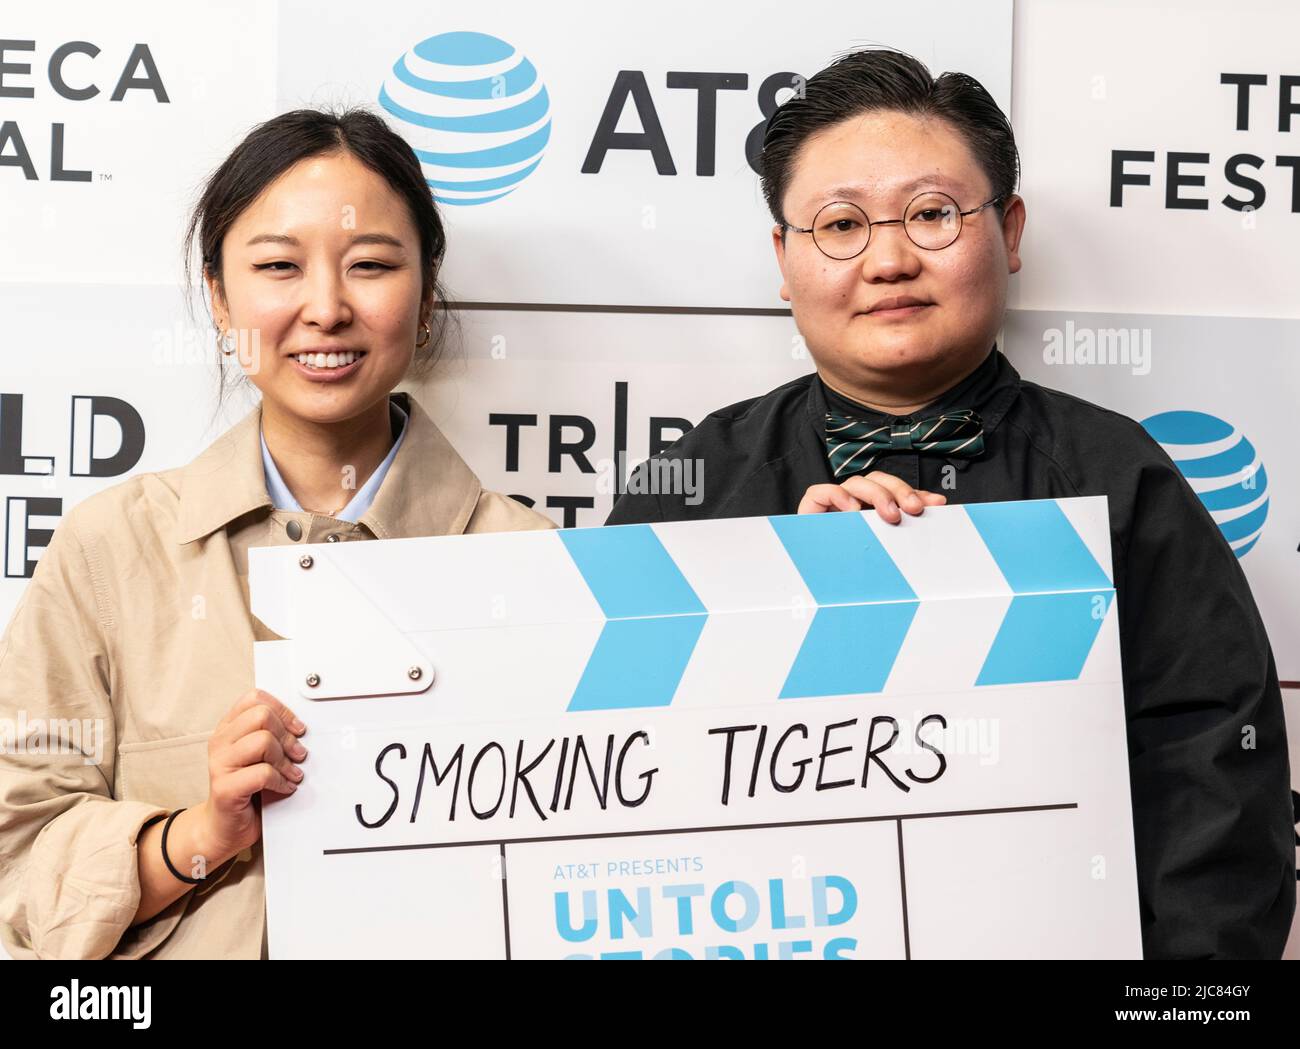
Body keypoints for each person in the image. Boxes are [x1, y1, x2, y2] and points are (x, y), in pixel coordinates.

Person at [607, 48, 1295, 959]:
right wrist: (767, 605)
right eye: (840, 223)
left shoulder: (1119, 476)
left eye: (932, 214)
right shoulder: (694, 478)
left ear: (1008, 232)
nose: (889, 259)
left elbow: (1215, 783)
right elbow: (605, 773)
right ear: (783, 257)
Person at [0, 108, 555, 959]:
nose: (326, 308)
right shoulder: (107, 550)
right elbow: (17, 859)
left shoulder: (524, 559)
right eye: (278, 267)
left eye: (370, 265)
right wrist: (198, 834)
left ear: (427, 292)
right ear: (220, 297)